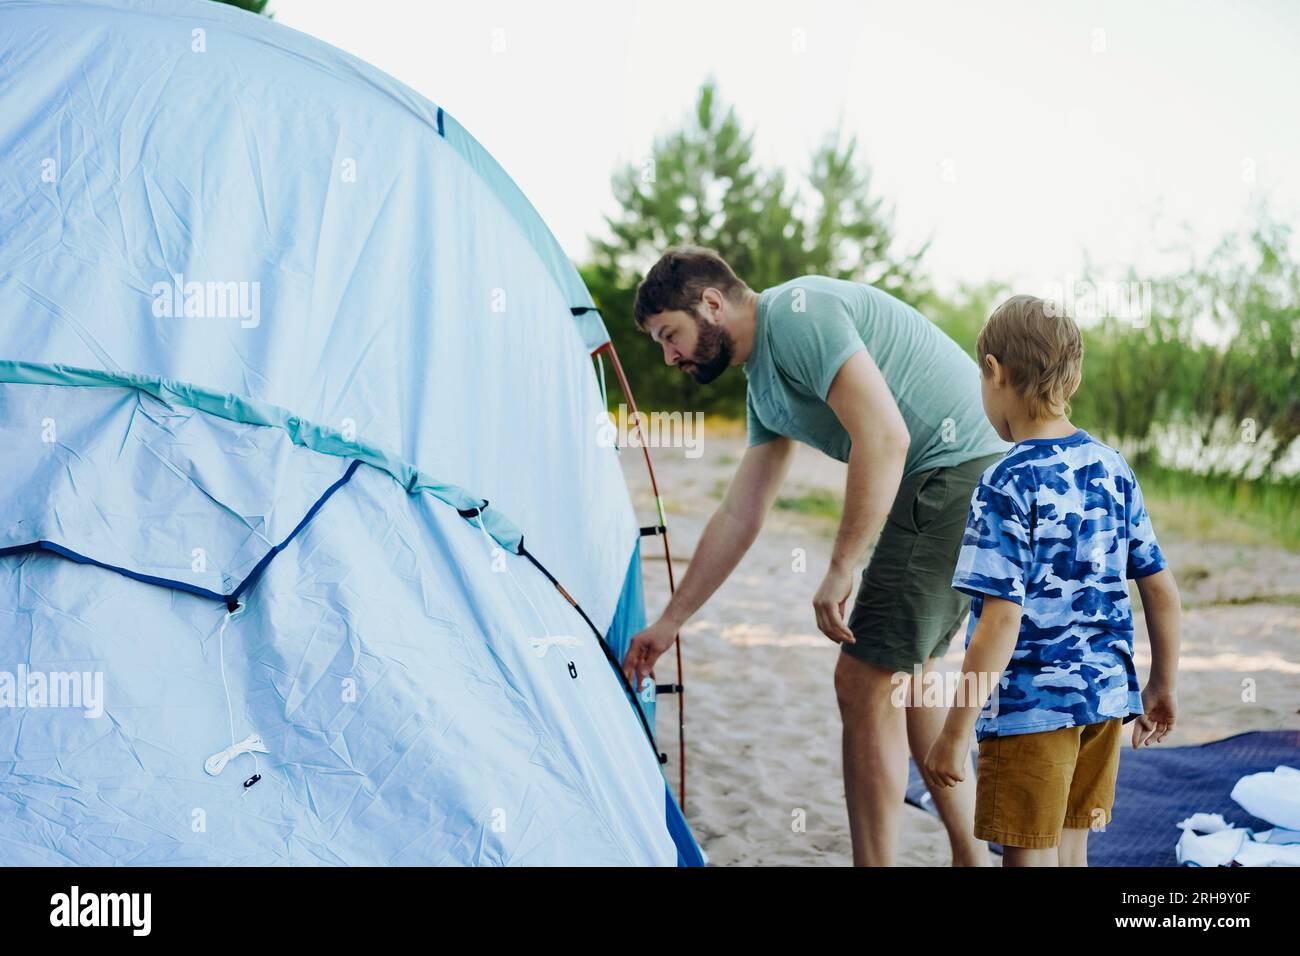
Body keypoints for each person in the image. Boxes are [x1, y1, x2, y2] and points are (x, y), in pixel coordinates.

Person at [621, 245, 1008, 866]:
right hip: (956, 478)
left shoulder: (798, 316)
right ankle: (971, 856)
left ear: (711, 303)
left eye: (671, 335)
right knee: (904, 682)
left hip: (959, 472)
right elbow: (739, 515)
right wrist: (671, 622)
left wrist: (841, 567)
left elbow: (884, 437)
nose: (670, 357)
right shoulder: (763, 386)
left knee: (862, 681)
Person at [921, 294, 1182, 866]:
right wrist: (1160, 684)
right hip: (1104, 702)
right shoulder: (1114, 468)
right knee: (1070, 851)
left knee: (1029, 857)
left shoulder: (1005, 481)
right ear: (1076, 375)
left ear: (993, 371)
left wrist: (954, 730)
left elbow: (1001, 619)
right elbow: (1160, 589)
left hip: (1029, 710)